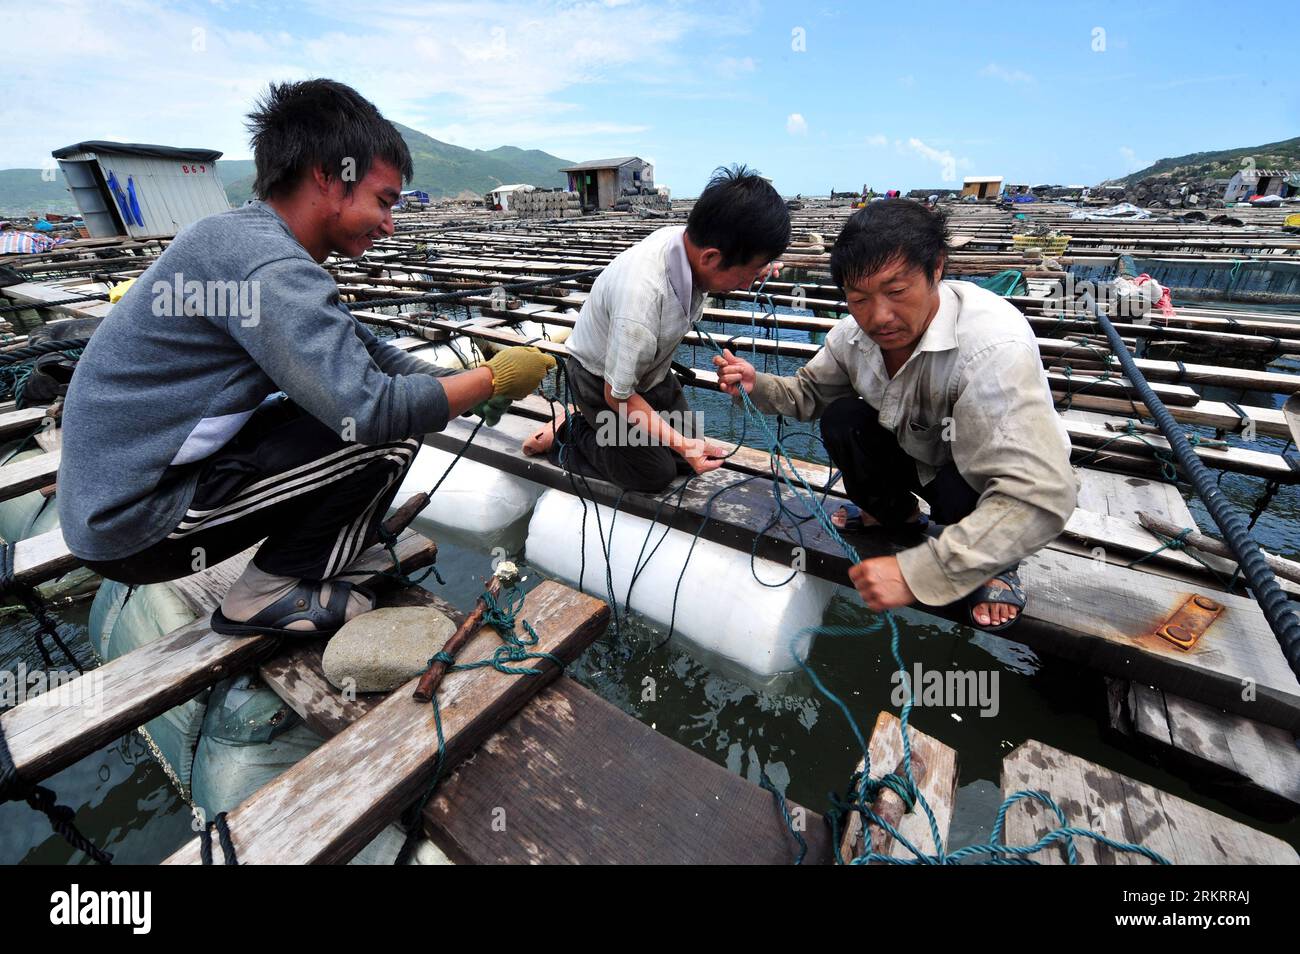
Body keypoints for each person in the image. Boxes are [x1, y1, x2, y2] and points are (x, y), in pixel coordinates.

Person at [58, 79, 554, 637]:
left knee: (366, 406)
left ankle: (317, 561)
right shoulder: (266, 264)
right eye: (384, 201)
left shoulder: (243, 240)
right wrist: (491, 379)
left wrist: (462, 381)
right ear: (328, 173)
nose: (390, 224)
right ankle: (264, 595)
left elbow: (369, 351)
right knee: (386, 433)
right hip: (132, 525)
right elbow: (372, 408)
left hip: (118, 496)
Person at [712, 199, 1076, 631]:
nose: (879, 316)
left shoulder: (993, 349)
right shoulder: (852, 337)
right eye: (859, 298)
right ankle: (893, 516)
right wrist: (759, 386)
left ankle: (993, 565)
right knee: (843, 417)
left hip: (969, 477)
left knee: (981, 484)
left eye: (897, 291)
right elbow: (809, 393)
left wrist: (919, 572)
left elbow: (1040, 494)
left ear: (936, 268)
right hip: (915, 451)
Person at [522, 164, 789, 492]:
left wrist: (753, 267)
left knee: (689, 448)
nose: (749, 283)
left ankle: (608, 431)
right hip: (600, 380)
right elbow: (617, 396)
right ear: (712, 258)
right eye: (748, 273)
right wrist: (680, 444)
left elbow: (729, 264)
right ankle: (571, 433)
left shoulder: (688, 241)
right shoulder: (642, 299)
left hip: (650, 371)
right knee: (654, 472)